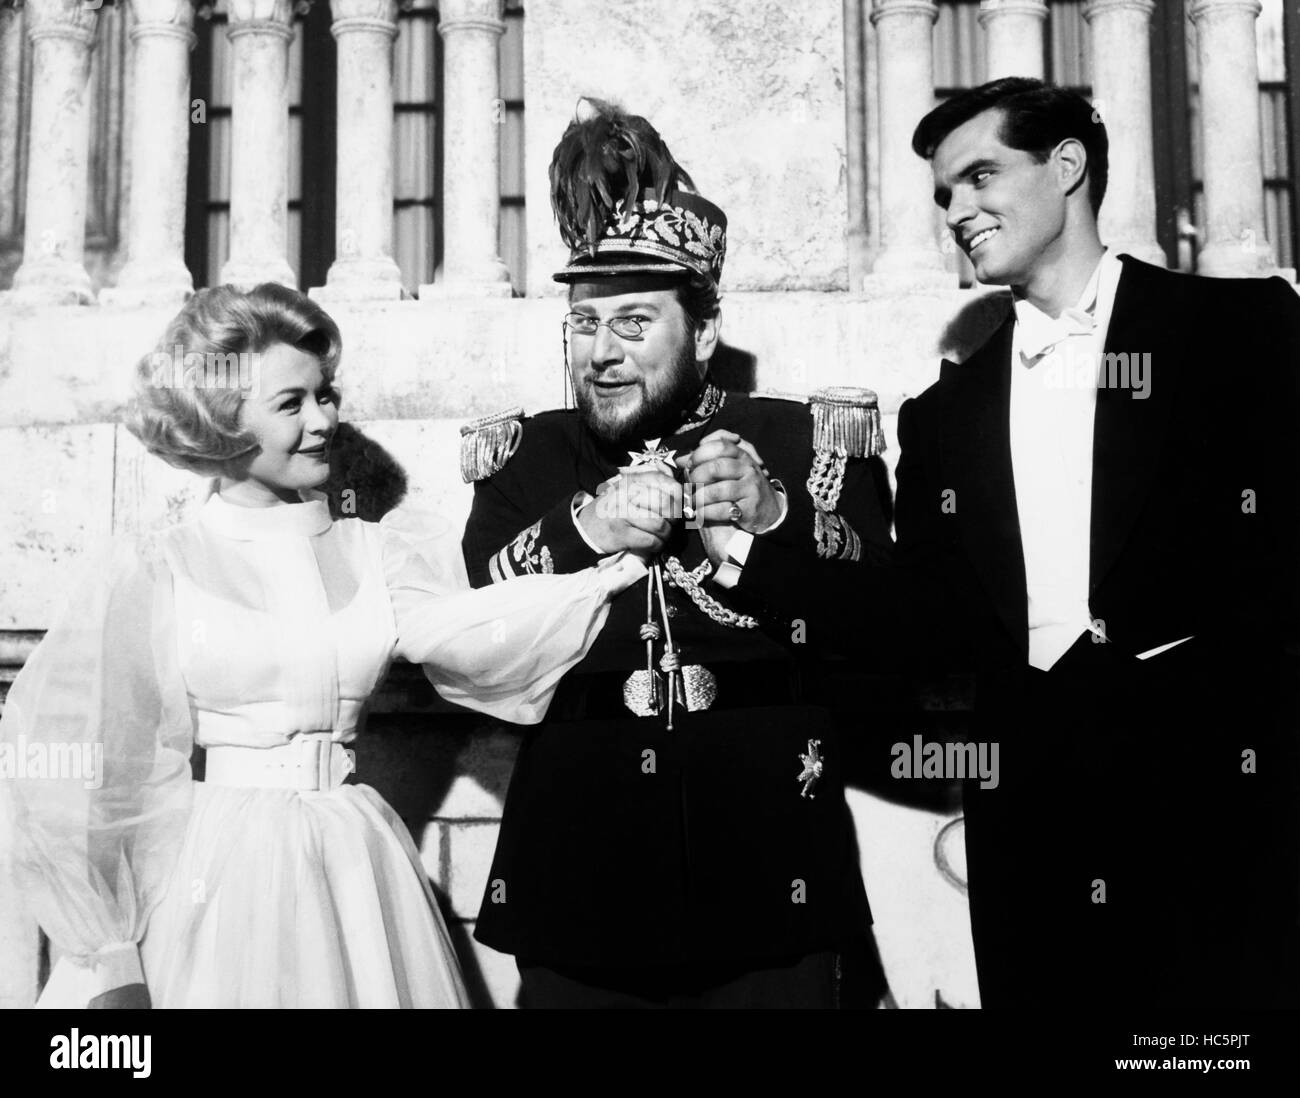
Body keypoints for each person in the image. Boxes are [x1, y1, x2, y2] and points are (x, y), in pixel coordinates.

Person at [0, 283, 645, 1009]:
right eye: (291, 404)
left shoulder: (378, 550)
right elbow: (92, 776)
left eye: (326, 394)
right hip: (209, 879)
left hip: (352, 871)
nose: (324, 420)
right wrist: (112, 955)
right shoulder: (159, 565)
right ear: (222, 418)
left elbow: (471, 636)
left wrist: (604, 560)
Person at [459, 100, 893, 1008]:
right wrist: (585, 529)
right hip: (579, 884)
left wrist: (770, 524)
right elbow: (473, 635)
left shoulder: (809, 440)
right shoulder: (523, 458)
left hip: (771, 877)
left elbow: (874, 623)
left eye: (633, 324)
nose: (602, 354)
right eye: (585, 324)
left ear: (702, 332)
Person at [899, 77, 1300, 1007]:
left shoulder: (1244, 333)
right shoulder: (944, 415)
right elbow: (917, 623)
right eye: (944, 194)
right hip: (1030, 849)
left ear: (1067, 166)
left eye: (980, 176)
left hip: (1222, 832)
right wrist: (765, 536)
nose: (958, 210)